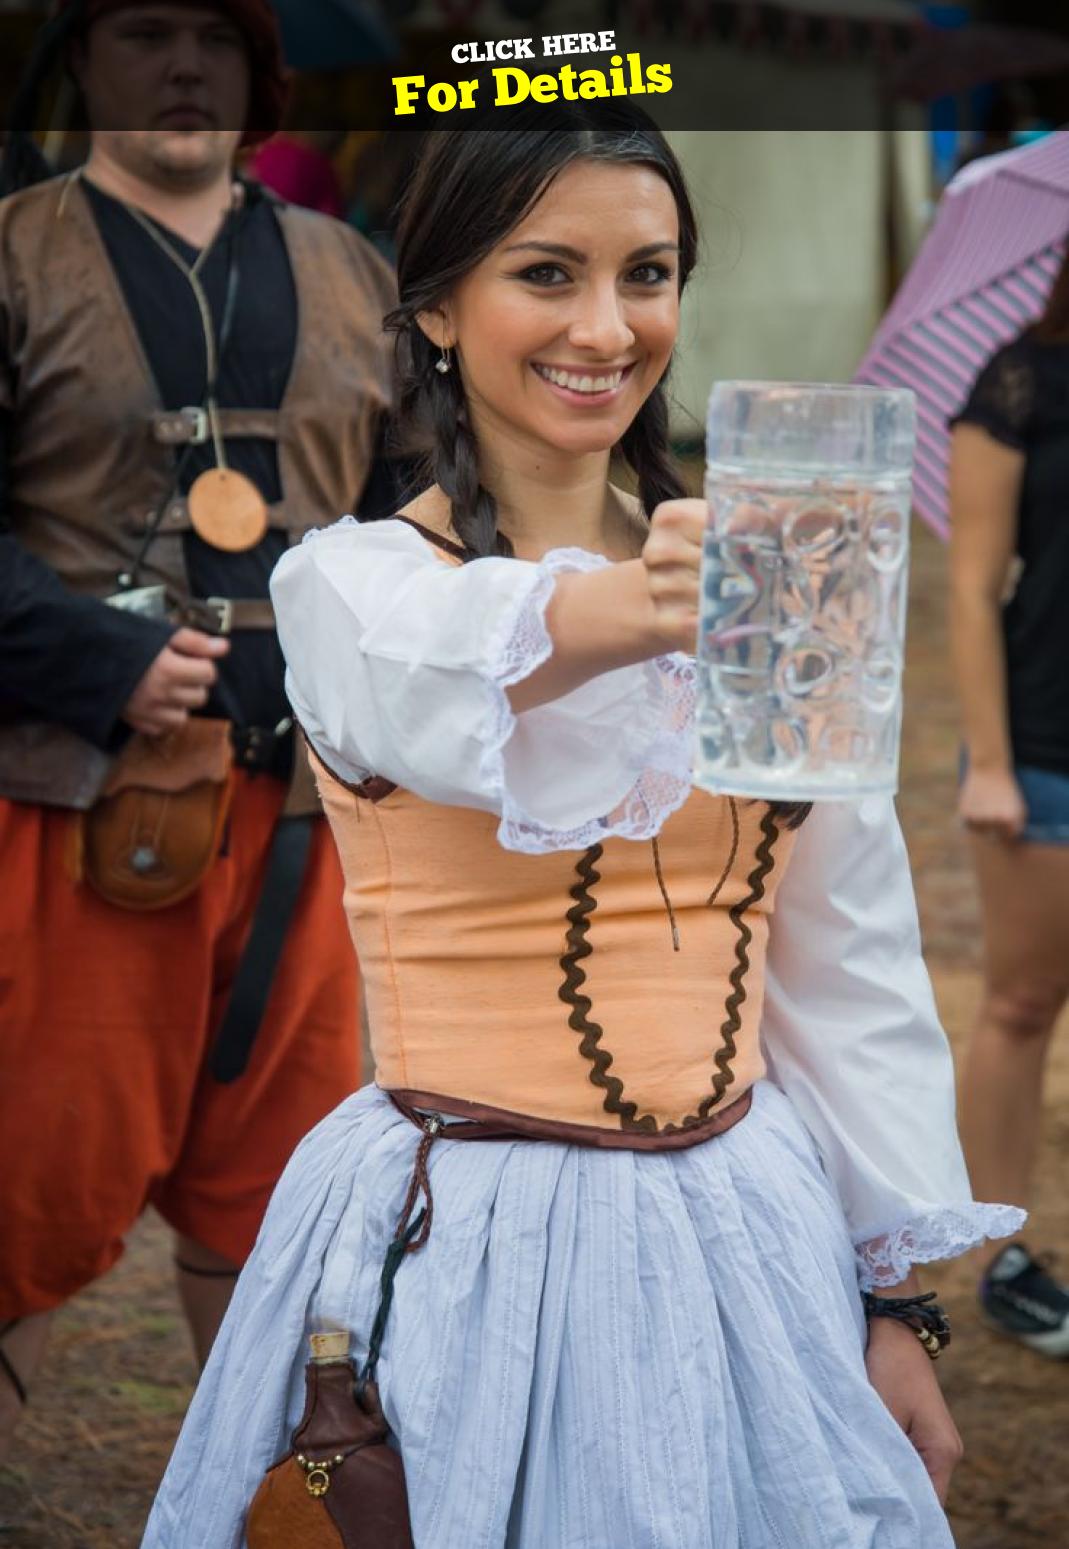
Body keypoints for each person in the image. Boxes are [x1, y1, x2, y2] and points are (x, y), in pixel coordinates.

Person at [144, 119, 1020, 1549]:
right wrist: (655, 600)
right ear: (435, 305)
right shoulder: (357, 589)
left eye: (649, 273)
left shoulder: (764, 581)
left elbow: (847, 965)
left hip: (750, 1229)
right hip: (468, 1243)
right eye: (546, 274)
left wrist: (895, 1299)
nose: (607, 326)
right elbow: (455, 666)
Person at [0, 0, 399, 1460]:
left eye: (216, 42)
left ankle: (271, 1503)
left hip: (304, 822)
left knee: (280, 1207)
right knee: (27, 1190)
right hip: (70, 805)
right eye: (144, 31)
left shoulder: (352, 273)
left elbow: (421, 515)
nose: (183, 69)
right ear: (80, 62)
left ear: (259, 75)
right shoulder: (14, 250)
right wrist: (86, 654)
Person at [949, 246, 1069, 1355]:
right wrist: (988, 760)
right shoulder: (1022, 379)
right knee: (1024, 1002)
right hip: (1044, 747)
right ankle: (1000, 1256)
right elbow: (973, 588)